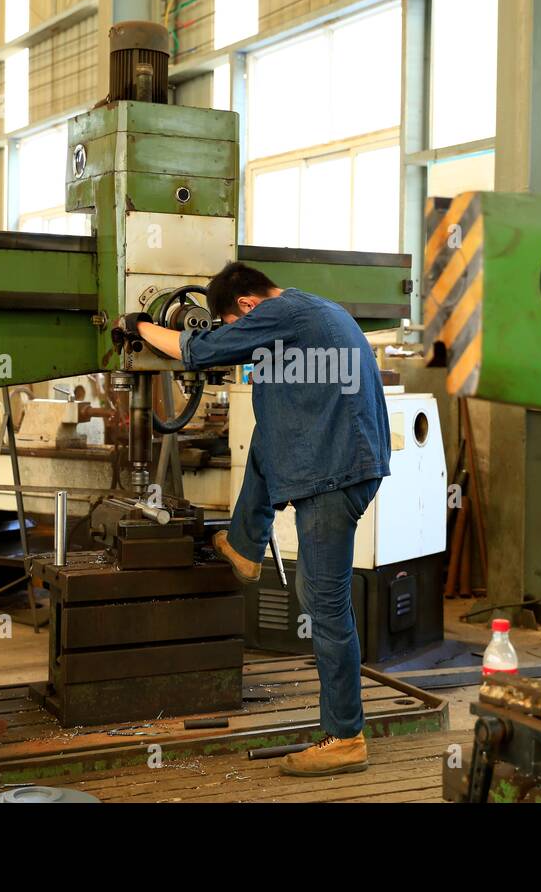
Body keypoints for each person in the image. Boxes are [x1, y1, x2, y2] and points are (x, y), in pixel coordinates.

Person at [120, 262, 391, 776]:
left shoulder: (281, 312)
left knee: (324, 605)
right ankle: (245, 546)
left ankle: (345, 737)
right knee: (268, 433)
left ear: (245, 306)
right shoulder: (315, 310)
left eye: (232, 322)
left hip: (335, 475)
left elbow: (197, 351)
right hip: (343, 457)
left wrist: (137, 327)